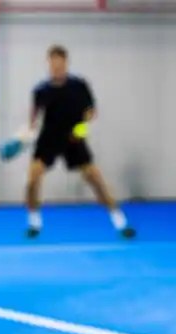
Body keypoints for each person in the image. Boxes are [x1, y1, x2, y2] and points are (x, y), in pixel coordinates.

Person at [24, 45, 135, 239]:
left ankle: (120, 222)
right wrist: (22, 138)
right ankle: (34, 222)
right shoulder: (40, 90)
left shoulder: (79, 85)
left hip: (74, 138)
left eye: (60, 63)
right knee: (32, 179)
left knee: (96, 180)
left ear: (66, 63)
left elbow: (91, 112)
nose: (56, 67)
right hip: (48, 139)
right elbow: (33, 120)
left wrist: (81, 129)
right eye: (52, 63)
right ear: (48, 64)